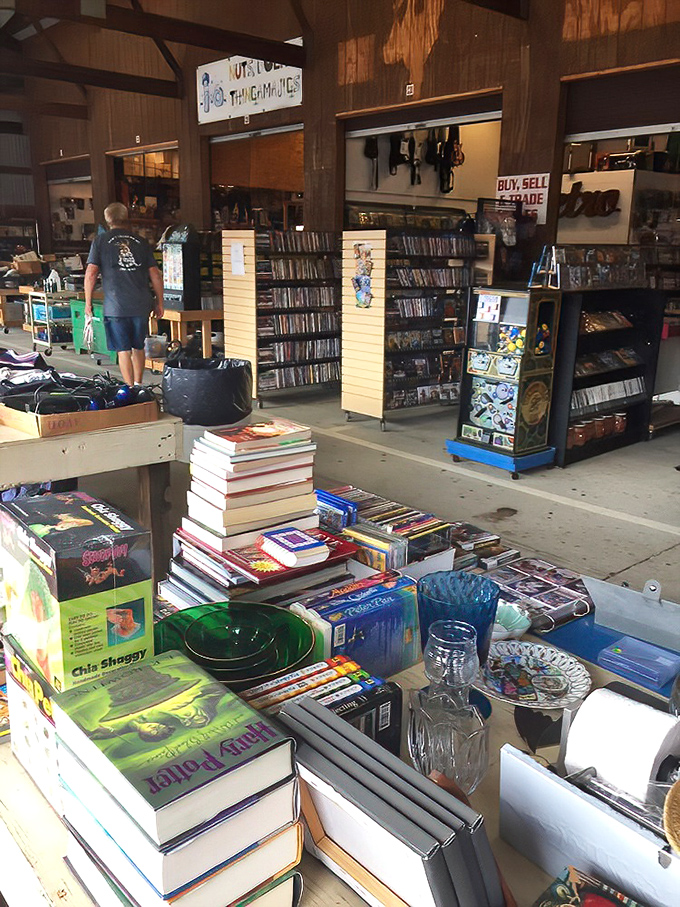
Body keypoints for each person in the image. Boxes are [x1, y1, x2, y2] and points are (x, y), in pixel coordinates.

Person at [84, 202, 164, 386]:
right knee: (138, 346)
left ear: (107, 219)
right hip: (141, 304)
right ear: (125, 218)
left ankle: (130, 389)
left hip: (115, 306)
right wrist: (160, 302)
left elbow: (91, 274)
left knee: (123, 349)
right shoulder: (141, 242)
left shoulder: (100, 241)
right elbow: (155, 275)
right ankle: (138, 384)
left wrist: (88, 303)